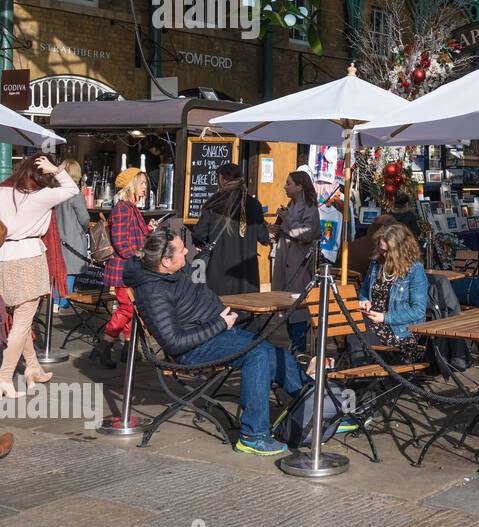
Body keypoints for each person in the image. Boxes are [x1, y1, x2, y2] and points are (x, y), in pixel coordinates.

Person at [125, 228, 306, 456]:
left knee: (269, 350)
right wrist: (219, 324)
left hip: (217, 334)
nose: (187, 252)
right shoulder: (153, 292)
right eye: (181, 250)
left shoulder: (172, 272)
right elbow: (174, 343)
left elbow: (194, 288)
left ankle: (317, 402)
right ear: (166, 261)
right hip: (193, 349)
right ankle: (252, 436)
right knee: (256, 354)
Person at [0, 155, 78, 397]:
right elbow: (72, 189)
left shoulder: (3, 191)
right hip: (29, 257)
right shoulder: (40, 196)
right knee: (22, 321)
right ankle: (4, 377)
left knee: (20, 318)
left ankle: (32, 368)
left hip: (4, 256)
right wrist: (56, 170)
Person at [99, 166, 155, 367]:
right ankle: (104, 345)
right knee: (127, 308)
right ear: (131, 185)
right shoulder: (123, 208)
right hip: (124, 269)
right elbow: (121, 242)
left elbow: (131, 236)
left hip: (130, 268)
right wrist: (139, 258)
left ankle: (128, 349)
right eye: (142, 183)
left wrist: (147, 229)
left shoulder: (132, 208)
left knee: (133, 307)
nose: (145, 187)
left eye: (145, 183)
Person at [354, 223, 429, 366]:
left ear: (401, 250)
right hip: (372, 318)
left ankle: (361, 370)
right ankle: (359, 370)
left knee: (358, 331)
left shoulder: (414, 269)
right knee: (352, 325)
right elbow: (364, 289)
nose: (383, 254)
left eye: (387, 251)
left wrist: (385, 317)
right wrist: (364, 300)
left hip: (399, 329)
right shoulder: (377, 263)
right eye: (381, 249)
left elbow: (418, 311)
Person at [192, 164, 269, 296]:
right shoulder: (254, 204)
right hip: (246, 278)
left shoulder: (214, 203)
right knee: (244, 309)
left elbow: (199, 233)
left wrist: (201, 243)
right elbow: (263, 237)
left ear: (221, 179)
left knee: (220, 308)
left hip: (218, 275)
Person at [270, 171, 321, 354]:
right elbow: (286, 232)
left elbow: (307, 234)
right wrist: (274, 230)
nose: (285, 187)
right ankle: (291, 355)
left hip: (299, 268)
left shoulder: (310, 209)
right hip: (285, 264)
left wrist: (287, 219)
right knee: (287, 312)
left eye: (288, 183)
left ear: (299, 186)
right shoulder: (290, 206)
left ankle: (297, 356)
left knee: (298, 312)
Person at [54, 159, 90, 310]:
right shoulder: (75, 194)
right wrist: (85, 229)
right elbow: (84, 218)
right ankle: (62, 304)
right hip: (72, 240)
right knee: (70, 273)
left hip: (57, 238)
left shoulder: (55, 192)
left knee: (59, 272)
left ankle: (55, 302)